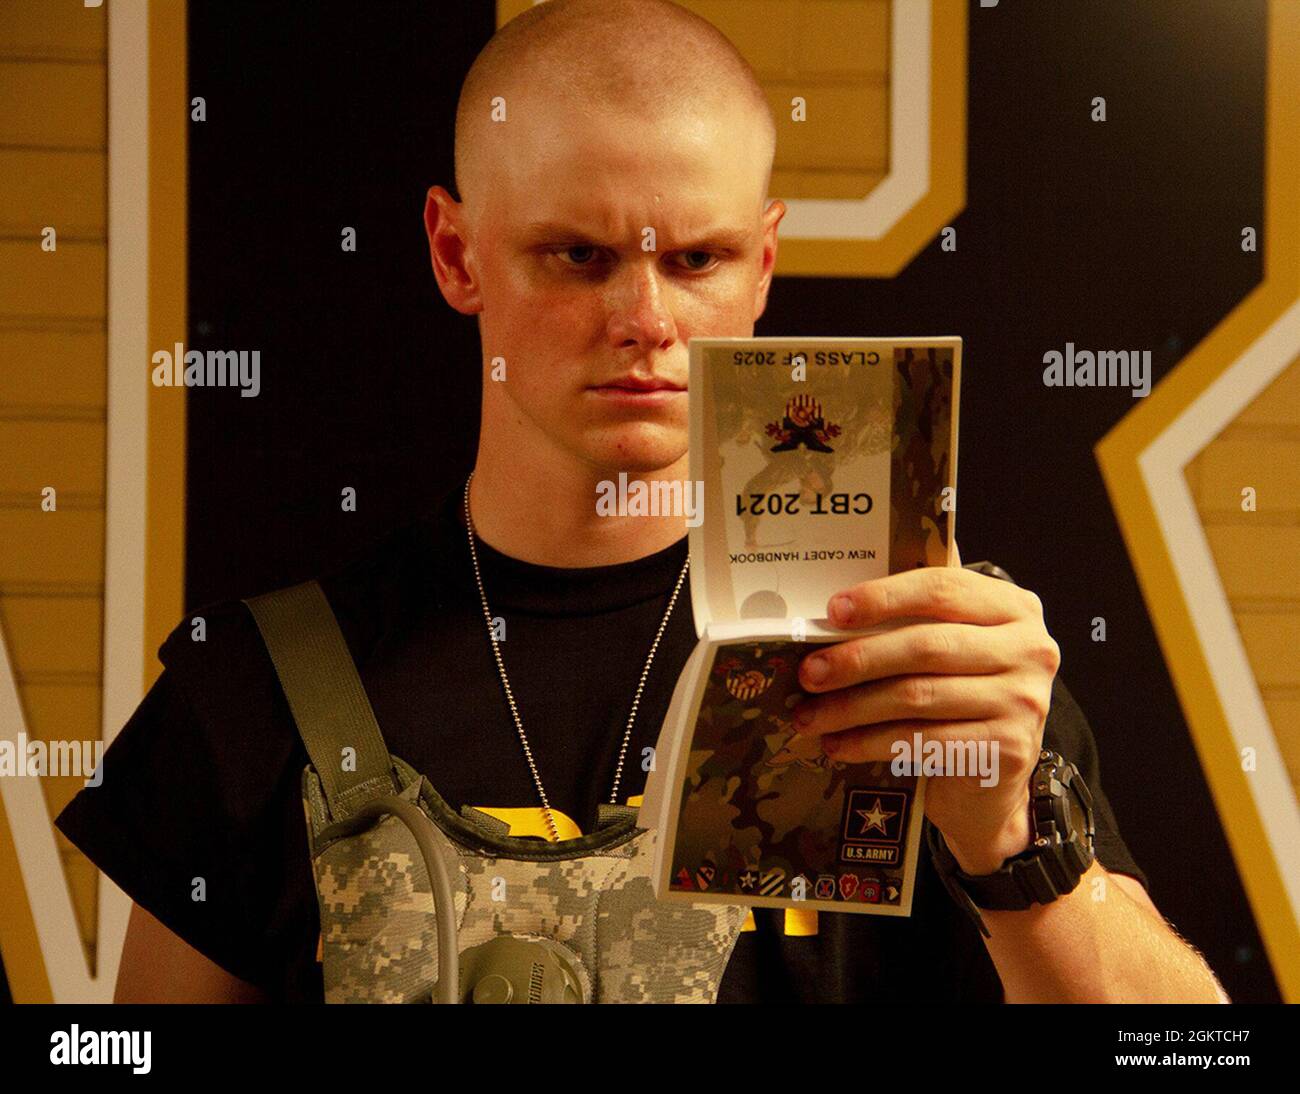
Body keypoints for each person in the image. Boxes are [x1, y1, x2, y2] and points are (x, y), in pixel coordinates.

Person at [56, 0, 1226, 1003]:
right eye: (577, 255)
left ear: (764, 266)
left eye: (696, 259)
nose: (646, 321)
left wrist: (1014, 847)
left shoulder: (918, 645)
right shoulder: (254, 690)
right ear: (455, 254)